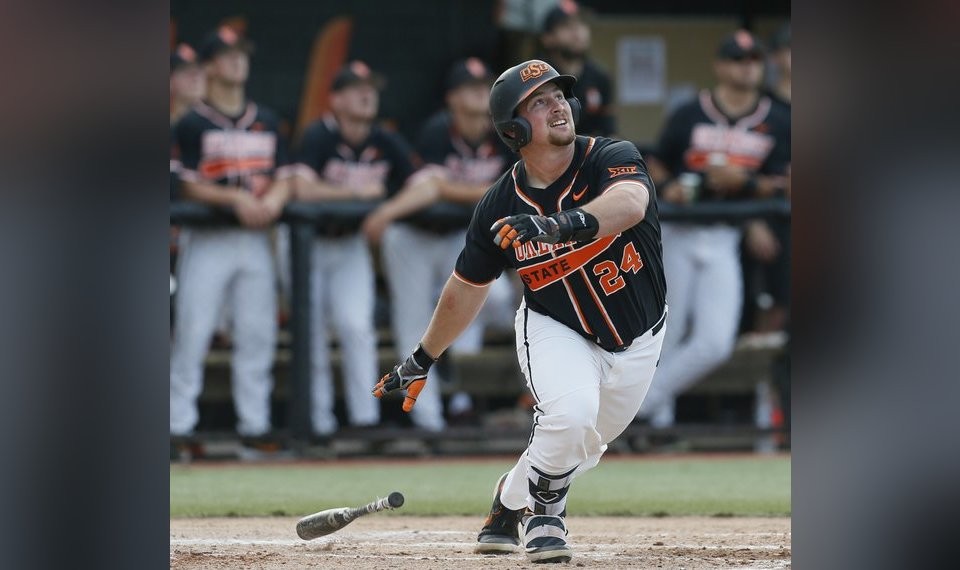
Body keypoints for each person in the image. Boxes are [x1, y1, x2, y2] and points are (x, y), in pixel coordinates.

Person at [373, 60, 667, 563]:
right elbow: (465, 288)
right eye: (538, 101)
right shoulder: (498, 205)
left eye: (558, 95)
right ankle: (548, 514)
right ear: (513, 129)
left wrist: (560, 225)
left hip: (640, 336)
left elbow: (630, 203)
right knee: (570, 417)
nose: (556, 105)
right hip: (554, 328)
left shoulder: (609, 156)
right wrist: (422, 358)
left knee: (583, 445)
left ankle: (508, 503)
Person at [636, 30, 790, 429]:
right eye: (738, 60)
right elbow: (655, 160)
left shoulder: (777, 118)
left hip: (726, 233)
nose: (747, 67)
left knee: (716, 342)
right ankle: (658, 426)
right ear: (720, 66)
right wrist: (669, 186)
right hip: (681, 229)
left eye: (754, 60)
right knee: (665, 334)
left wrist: (747, 184)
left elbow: (787, 181)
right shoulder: (691, 111)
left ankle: (640, 410)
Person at [362, 58, 516, 422]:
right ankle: (428, 421)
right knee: (412, 323)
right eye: (471, 87)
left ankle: (460, 401)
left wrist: (461, 191)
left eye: (485, 85)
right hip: (413, 237)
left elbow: (508, 186)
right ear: (452, 99)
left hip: (454, 238)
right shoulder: (437, 130)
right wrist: (386, 213)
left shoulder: (504, 133)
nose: (481, 92)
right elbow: (429, 187)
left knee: (493, 298)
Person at [170, 26, 292, 447]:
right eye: (227, 54)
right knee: (193, 331)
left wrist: (274, 199)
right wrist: (235, 200)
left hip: (255, 240)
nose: (238, 60)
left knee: (257, 334)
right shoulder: (191, 121)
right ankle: (178, 427)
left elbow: (284, 178)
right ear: (208, 67)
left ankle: (253, 427)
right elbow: (185, 184)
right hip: (208, 238)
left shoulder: (268, 118)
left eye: (242, 53)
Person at [292, 61, 421, 437]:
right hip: (308, 246)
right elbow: (301, 188)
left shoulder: (385, 139)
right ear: (335, 99)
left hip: (350, 244)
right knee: (312, 335)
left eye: (371, 88)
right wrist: (355, 194)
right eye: (355, 88)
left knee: (357, 329)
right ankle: (317, 425)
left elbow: (425, 184)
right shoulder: (319, 135)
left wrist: (388, 210)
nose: (366, 95)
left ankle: (365, 422)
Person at [538, 0, 616, 137]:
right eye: (567, 26)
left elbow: (608, 131)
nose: (578, 32)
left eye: (581, 24)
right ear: (548, 38)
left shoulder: (600, 77)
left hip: (590, 154)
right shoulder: (538, 76)